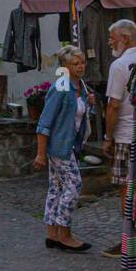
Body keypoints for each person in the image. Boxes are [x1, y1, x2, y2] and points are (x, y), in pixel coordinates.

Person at [34, 45, 95, 252]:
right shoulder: (60, 88)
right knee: (74, 185)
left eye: (82, 62)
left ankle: (52, 234)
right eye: (75, 64)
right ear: (65, 67)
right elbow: (44, 122)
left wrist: (89, 102)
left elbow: (77, 114)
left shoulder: (81, 87)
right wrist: (41, 153)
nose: (80, 67)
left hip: (70, 145)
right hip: (60, 146)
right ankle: (64, 233)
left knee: (57, 187)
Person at [102, 19, 136, 257]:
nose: (109, 42)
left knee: (126, 190)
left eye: (112, 38)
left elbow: (113, 105)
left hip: (126, 136)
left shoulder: (120, 65)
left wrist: (108, 137)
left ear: (125, 39)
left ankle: (130, 242)